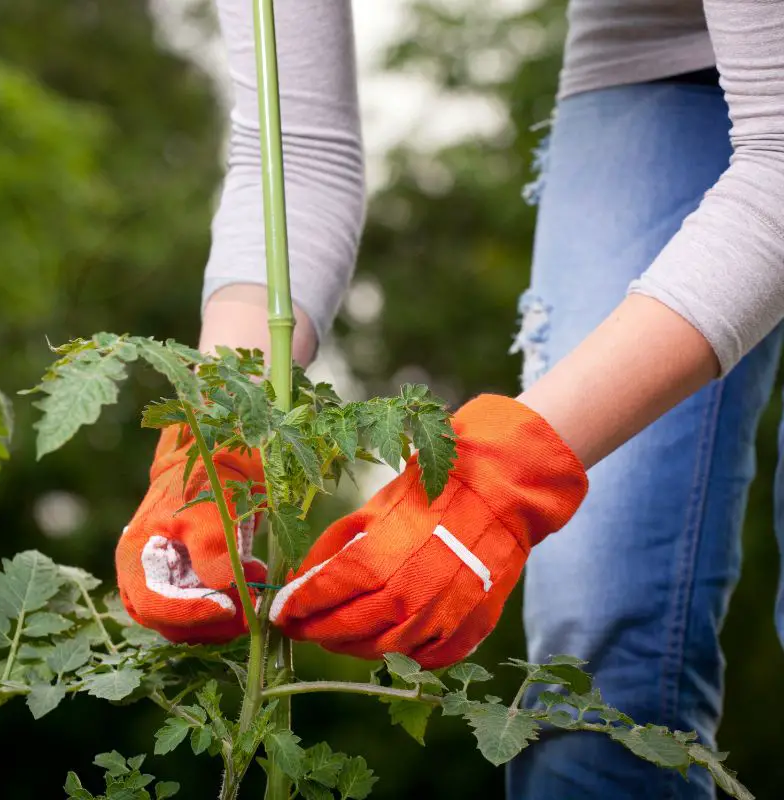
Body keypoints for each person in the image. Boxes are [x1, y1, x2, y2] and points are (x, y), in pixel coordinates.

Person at [114, 1, 784, 797]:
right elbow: (292, 153)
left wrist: (505, 476)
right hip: (644, 46)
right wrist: (217, 435)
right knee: (596, 659)